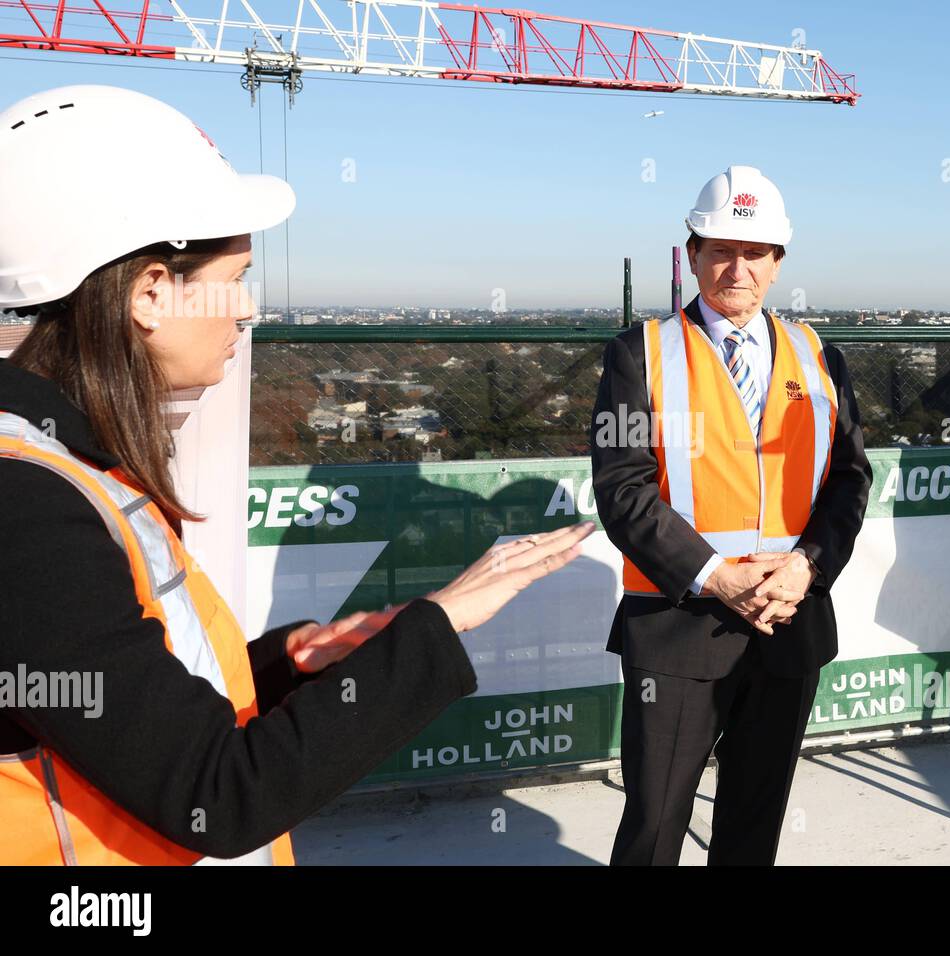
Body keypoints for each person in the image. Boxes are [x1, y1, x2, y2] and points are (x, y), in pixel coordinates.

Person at [0, 84, 593, 865]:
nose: (247, 310)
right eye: (235, 277)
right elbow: (217, 794)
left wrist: (289, 662)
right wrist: (438, 627)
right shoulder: (29, 508)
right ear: (148, 292)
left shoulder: (66, 468)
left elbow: (146, 718)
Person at [590, 165, 872, 865]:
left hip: (787, 623)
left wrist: (807, 566)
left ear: (778, 264)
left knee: (753, 826)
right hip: (678, 628)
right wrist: (715, 576)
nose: (735, 267)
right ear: (691, 256)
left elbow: (849, 480)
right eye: (719, 249)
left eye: (753, 253)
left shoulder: (819, 356)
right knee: (655, 827)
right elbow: (621, 489)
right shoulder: (639, 354)